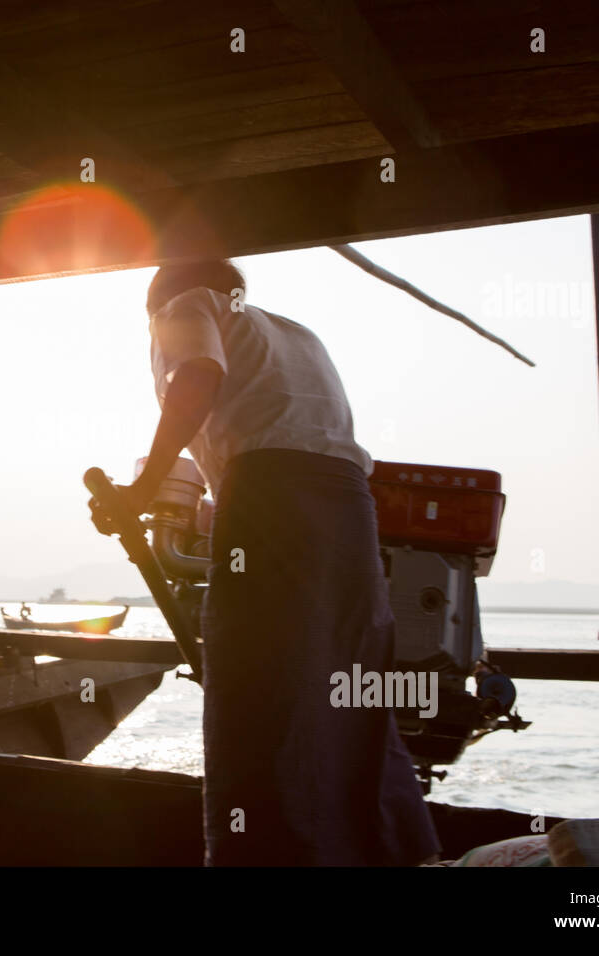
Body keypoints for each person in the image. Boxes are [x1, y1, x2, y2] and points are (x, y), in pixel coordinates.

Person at [106, 258, 440, 866]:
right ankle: (395, 855)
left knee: (257, 691)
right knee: (355, 694)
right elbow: (289, 442)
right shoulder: (294, 335)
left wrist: (140, 489)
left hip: (270, 498)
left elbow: (196, 381)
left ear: (158, 302)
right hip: (348, 510)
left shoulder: (183, 306)